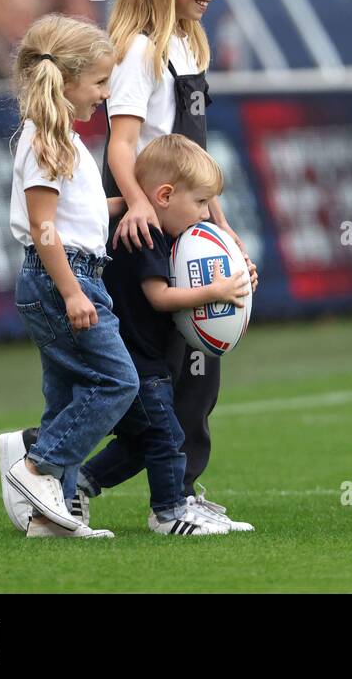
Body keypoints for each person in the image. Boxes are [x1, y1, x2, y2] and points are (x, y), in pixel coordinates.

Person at [0, 0, 258, 533]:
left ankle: (62, 468)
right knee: (152, 380)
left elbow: (194, 160)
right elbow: (124, 143)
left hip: (181, 220)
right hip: (151, 231)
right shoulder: (141, 51)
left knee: (183, 373)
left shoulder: (188, 45)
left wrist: (220, 226)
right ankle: (156, 495)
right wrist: (141, 204)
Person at [2, 13, 138, 539]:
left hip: (76, 273)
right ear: (69, 79)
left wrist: (133, 202)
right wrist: (73, 291)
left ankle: (48, 519)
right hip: (61, 279)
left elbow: (81, 216)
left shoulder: (65, 140)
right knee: (116, 381)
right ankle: (36, 469)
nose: (105, 94)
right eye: (100, 82)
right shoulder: (43, 141)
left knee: (68, 395)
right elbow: (45, 228)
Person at [78, 135, 249, 535]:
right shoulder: (147, 236)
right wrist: (214, 292)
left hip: (147, 357)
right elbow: (159, 297)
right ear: (166, 195)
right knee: (169, 434)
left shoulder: (172, 234)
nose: (207, 215)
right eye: (201, 203)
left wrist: (238, 277)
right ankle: (171, 512)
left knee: (144, 439)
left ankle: (80, 483)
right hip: (137, 358)